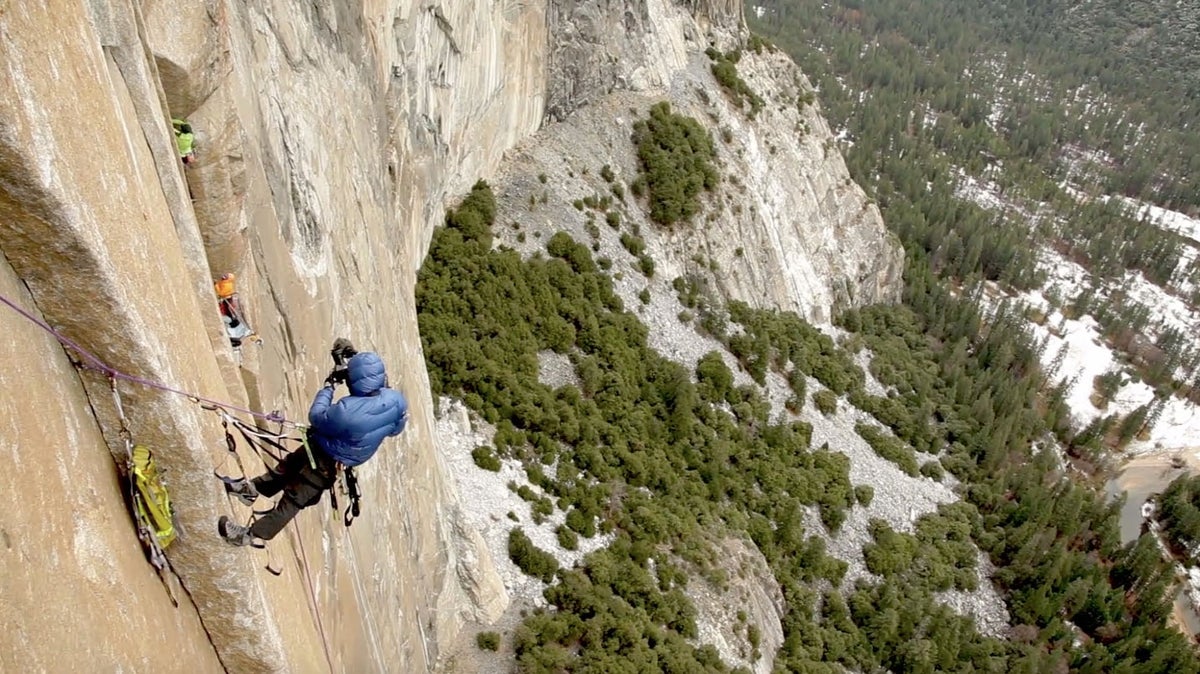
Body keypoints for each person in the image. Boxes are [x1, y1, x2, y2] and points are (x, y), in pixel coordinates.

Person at [218, 343, 408, 545]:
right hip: (330, 450)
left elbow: (316, 417)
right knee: (288, 467)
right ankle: (251, 490)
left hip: (327, 460)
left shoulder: (347, 410)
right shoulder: (397, 400)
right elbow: (395, 429)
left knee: (292, 500)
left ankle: (247, 536)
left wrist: (329, 386)